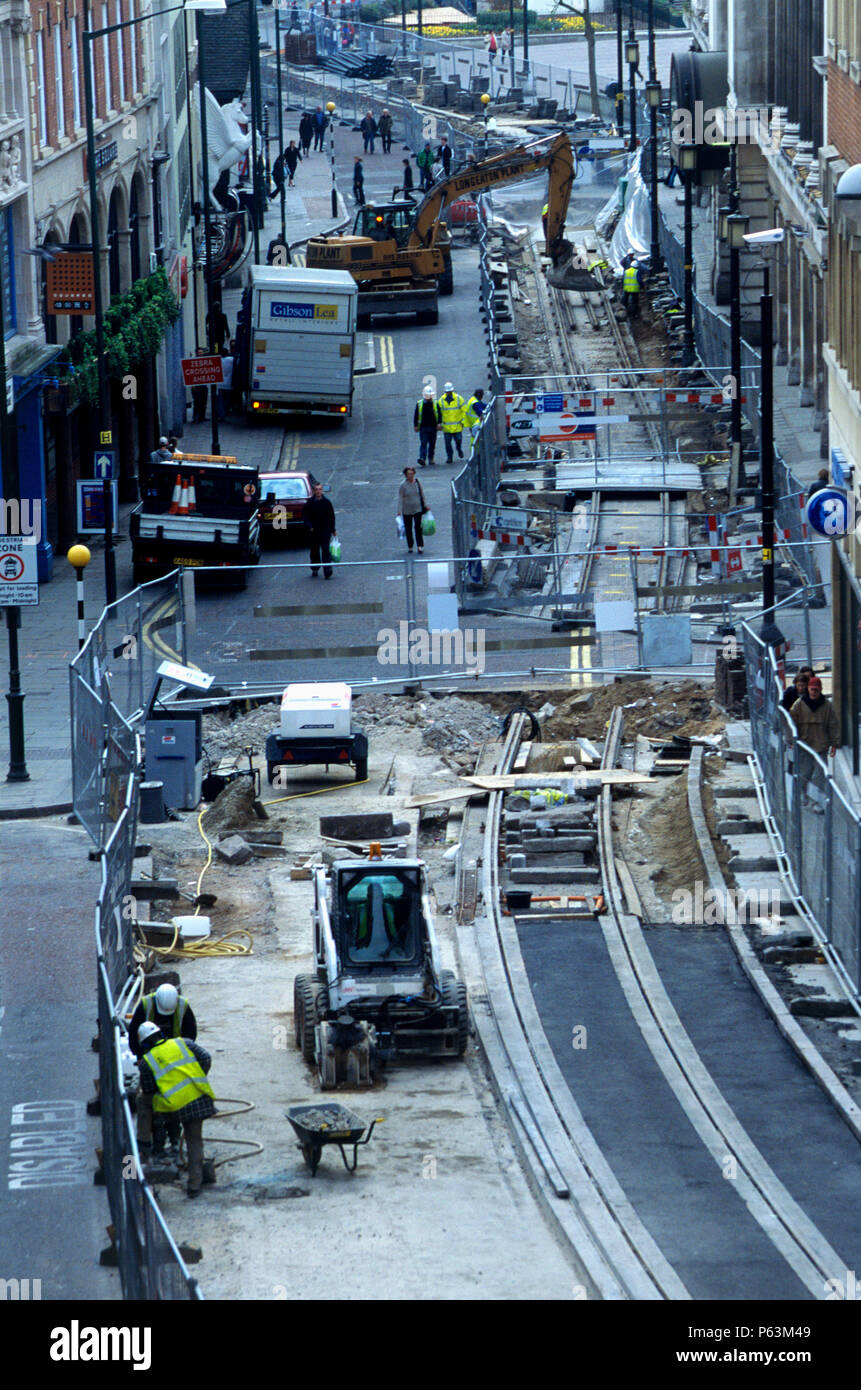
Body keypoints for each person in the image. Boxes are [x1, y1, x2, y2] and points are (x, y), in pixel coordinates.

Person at [136, 1023, 216, 1198]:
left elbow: (149, 1091)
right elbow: (206, 1058)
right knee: (194, 1140)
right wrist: (196, 1077)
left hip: (171, 1108)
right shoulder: (184, 1043)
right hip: (199, 1099)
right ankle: (194, 1185)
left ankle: (143, 1143)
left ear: (145, 1044)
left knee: (142, 1100)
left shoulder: (147, 1062)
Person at [790, 675, 840, 812]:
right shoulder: (799, 705)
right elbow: (790, 724)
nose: (814, 692)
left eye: (816, 690)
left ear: (820, 690)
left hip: (821, 746)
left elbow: (833, 725)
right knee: (804, 774)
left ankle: (816, 802)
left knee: (819, 776)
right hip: (804, 745)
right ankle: (803, 796)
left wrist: (834, 744)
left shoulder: (827, 706)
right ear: (808, 689)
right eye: (812, 689)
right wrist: (791, 740)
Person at [303, 480, 336, 578]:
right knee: (315, 551)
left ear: (322, 491)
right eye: (316, 490)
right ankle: (315, 568)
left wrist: (333, 529)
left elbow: (331, 516)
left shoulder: (327, 503)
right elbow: (305, 516)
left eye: (320, 489)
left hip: (325, 531)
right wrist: (310, 526)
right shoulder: (309, 503)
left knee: (326, 550)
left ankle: (327, 570)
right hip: (314, 531)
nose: (318, 491)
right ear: (313, 491)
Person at [398, 466, 427, 555]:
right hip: (407, 510)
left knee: (418, 528)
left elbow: (422, 494)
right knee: (408, 529)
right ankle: (410, 546)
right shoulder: (403, 485)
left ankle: (420, 546)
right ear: (405, 475)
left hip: (417, 508)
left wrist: (425, 505)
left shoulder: (417, 483)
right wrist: (399, 510)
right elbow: (400, 498)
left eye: (411, 474)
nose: (410, 475)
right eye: (408, 474)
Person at [413, 384, 441, 466]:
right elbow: (416, 415)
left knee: (432, 444)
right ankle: (422, 458)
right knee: (423, 443)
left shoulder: (436, 403)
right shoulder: (419, 403)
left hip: (433, 427)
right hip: (423, 427)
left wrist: (439, 424)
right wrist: (415, 425)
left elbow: (439, 414)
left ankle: (431, 458)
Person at [439, 381, 465, 462]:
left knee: (458, 440)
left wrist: (463, 421)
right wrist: (439, 423)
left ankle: (459, 449)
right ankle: (449, 457)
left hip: (457, 426)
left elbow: (464, 410)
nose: (449, 392)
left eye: (450, 391)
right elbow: (439, 413)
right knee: (447, 444)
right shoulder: (441, 401)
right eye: (447, 391)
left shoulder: (459, 399)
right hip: (447, 427)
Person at [190, 346, 209, 423]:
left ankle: (202, 417)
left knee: (203, 402)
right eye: (199, 352)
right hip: (196, 386)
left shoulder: (206, 361)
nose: (200, 354)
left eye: (201, 352)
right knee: (197, 402)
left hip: (204, 385)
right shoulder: (193, 361)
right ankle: (195, 416)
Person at [218, 345, 234, 419]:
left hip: (220, 384)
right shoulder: (231, 360)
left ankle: (222, 414)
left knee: (220, 401)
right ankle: (226, 411)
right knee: (227, 400)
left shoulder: (218, 360)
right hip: (229, 384)